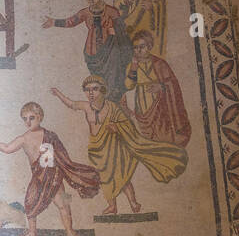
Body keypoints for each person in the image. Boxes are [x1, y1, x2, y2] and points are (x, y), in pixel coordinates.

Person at [52, 76, 186, 216]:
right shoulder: (86, 106)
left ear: (102, 90)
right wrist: (58, 94)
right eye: (87, 90)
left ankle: (133, 202)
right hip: (96, 149)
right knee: (104, 178)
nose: (90, 93)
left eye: (94, 89)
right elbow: (71, 104)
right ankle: (112, 206)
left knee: (122, 176)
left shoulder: (112, 107)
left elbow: (126, 124)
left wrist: (116, 127)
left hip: (113, 147)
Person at [0, 102, 98, 236]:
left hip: (53, 176)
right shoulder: (23, 138)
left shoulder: (50, 135)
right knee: (30, 203)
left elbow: (62, 156)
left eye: (31, 118)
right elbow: (8, 148)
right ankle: (32, 233)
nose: (28, 122)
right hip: (38, 177)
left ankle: (69, 231)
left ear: (40, 117)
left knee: (62, 204)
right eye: (24, 119)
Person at [42, 0, 133, 93]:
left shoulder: (111, 11)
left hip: (110, 52)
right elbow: (71, 22)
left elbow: (122, 30)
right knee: (98, 83)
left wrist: (114, 30)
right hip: (92, 54)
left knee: (112, 82)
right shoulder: (85, 12)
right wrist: (54, 22)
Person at [123, 30, 191, 147]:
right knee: (147, 137)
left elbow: (173, 84)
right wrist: (133, 68)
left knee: (163, 134)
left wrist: (161, 86)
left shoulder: (160, 64)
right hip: (142, 107)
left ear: (149, 46)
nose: (138, 50)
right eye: (135, 47)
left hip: (160, 105)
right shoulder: (132, 65)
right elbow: (128, 85)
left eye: (142, 46)